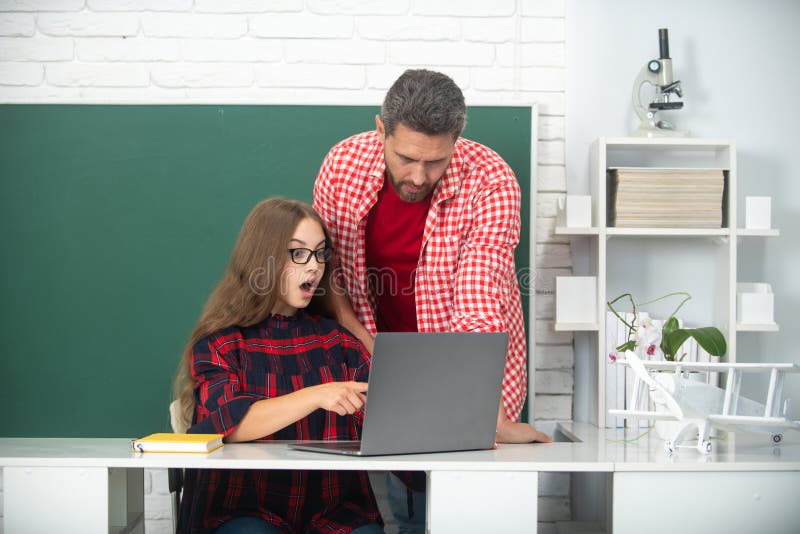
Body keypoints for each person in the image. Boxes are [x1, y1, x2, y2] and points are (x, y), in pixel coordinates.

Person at [313, 68, 552, 531]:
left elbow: (478, 306)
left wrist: (488, 417)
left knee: (466, 511)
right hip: (378, 361)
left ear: (456, 141)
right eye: (406, 158)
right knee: (406, 506)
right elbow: (331, 275)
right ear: (380, 130)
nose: (418, 176)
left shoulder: (492, 180)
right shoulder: (341, 167)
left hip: (473, 371)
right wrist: (372, 347)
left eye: (436, 161)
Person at [173, 198, 384, 534]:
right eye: (298, 253)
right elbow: (226, 425)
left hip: (334, 510)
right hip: (243, 507)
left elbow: (385, 417)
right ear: (263, 258)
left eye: (320, 253)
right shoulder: (222, 342)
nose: (314, 267)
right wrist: (317, 395)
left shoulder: (338, 341)